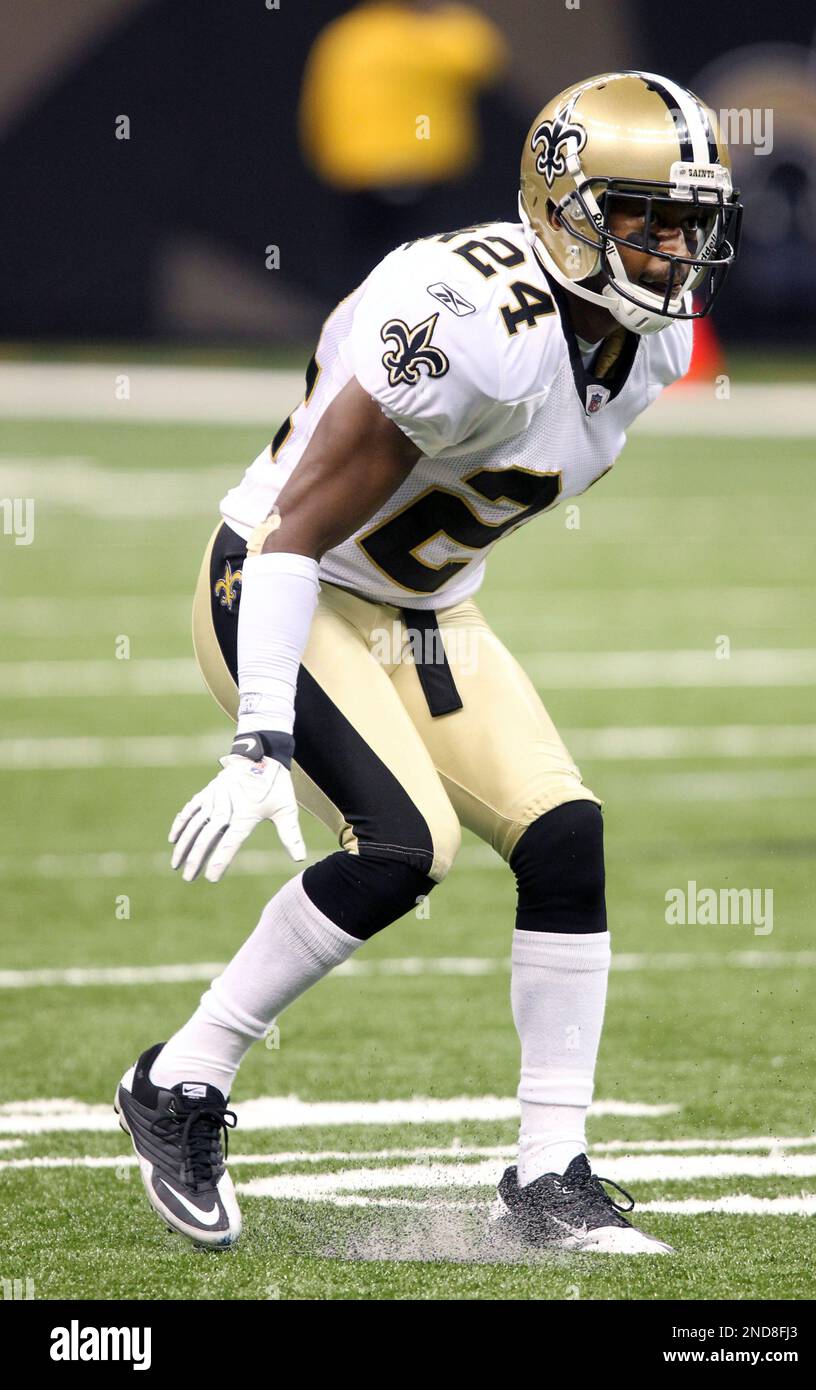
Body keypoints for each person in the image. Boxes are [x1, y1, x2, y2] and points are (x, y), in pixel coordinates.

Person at [115, 70, 742, 1253]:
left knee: (564, 836)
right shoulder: (462, 319)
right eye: (642, 217)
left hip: (423, 607)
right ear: (562, 210)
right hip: (281, 582)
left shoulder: (647, 351)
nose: (670, 249)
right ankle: (179, 1079)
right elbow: (296, 525)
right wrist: (260, 729)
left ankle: (549, 1177)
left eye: (687, 221)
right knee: (406, 846)